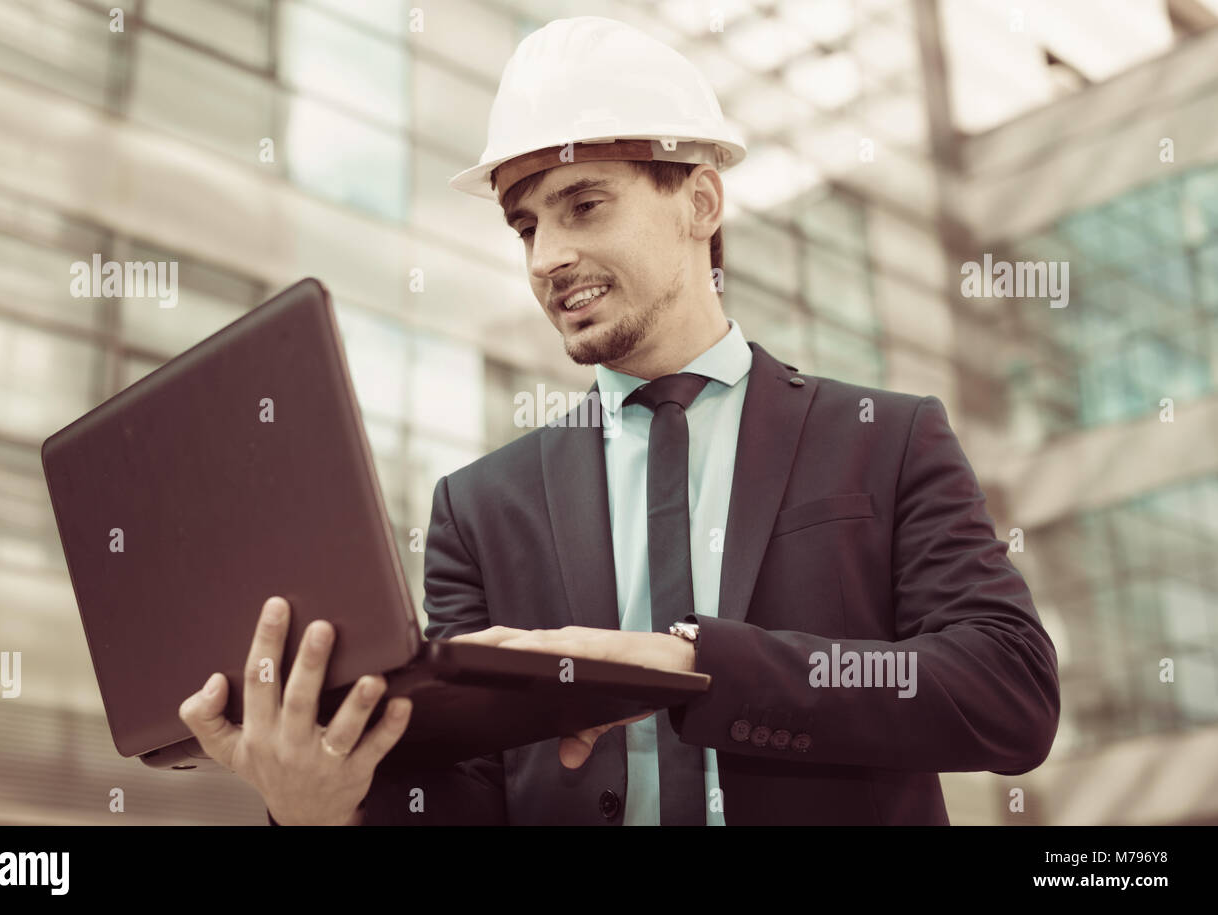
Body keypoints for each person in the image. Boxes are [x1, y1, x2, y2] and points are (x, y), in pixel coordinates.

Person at [180, 15, 1060, 826]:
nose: (549, 258)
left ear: (701, 204)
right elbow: (469, 798)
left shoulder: (882, 438)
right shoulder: (480, 508)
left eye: (584, 206)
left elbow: (1008, 691)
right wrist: (325, 805)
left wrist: (689, 665)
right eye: (525, 226)